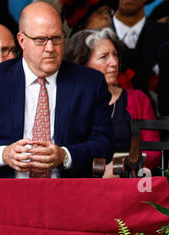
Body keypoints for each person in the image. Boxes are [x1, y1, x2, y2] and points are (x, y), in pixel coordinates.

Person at [0, 2, 112, 177]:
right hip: (5, 191)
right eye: (40, 40)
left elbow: (104, 143)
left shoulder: (90, 82)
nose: (50, 48)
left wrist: (64, 155)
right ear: (22, 40)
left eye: (56, 39)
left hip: (67, 191)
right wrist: (3, 155)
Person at [65, 28, 160, 171]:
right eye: (104, 57)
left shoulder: (138, 99)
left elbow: (153, 152)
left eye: (115, 55)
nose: (114, 62)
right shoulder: (68, 101)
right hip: (83, 182)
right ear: (82, 63)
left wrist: (120, 167)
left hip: (128, 180)